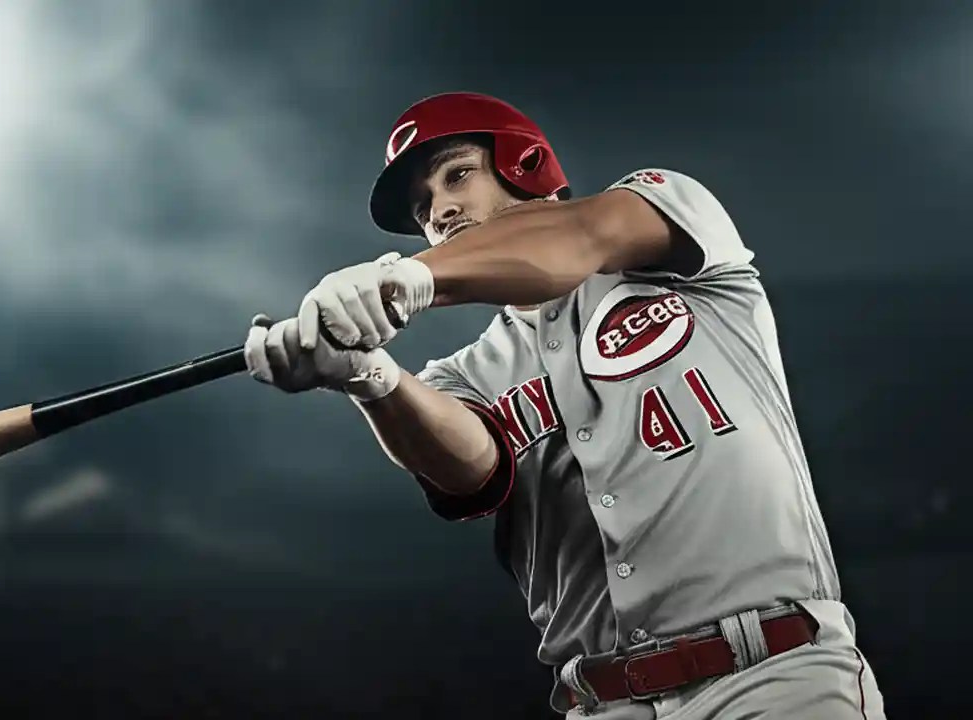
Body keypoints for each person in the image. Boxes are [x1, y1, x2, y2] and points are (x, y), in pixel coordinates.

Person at [243, 91, 887, 719]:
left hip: (770, 675)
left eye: (457, 175)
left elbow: (582, 235)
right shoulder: (466, 372)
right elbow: (473, 471)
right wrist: (367, 374)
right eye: (424, 206)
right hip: (600, 700)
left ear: (527, 165)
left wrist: (409, 276)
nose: (439, 212)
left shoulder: (667, 228)